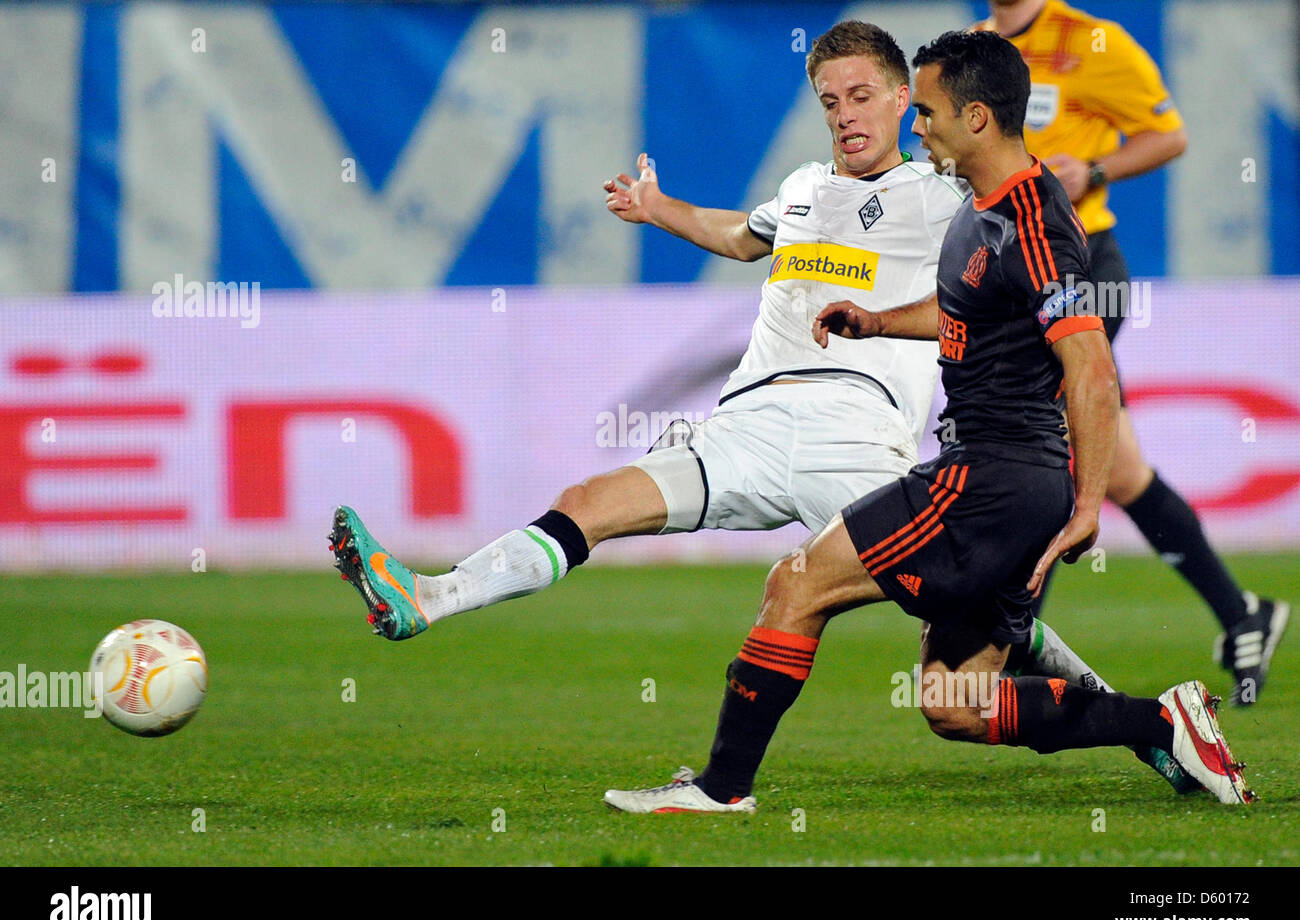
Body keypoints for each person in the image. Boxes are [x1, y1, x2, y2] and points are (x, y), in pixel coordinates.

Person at [332, 20, 1188, 796]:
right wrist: (658, 210)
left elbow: (1026, 272)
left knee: (965, 620)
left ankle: (1128, 717)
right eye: (829, 101)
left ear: (903, 100)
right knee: (587, 505)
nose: (846, 115)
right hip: (741, 427)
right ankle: (430, 597)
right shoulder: (806, 187)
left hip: (855, 433)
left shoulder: (949, 196)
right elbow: (744, 234)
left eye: (863, 97)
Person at [603, 29, 1253, 814]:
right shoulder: (983, 212)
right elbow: (966, 310)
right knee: (956, 705)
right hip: (1005, 484)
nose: (918, 125)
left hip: (991, 478)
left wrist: (1087, 507)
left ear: (977, 118)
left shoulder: (1036, 226)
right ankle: (1164, 721)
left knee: (798, 583)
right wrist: (879, 322)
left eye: (932, 111)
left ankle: (720, 789)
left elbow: (1092, 370)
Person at [981, 0, 1288, 706]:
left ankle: (1016, 639)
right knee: (1118, 472)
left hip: (1081, 264)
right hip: (1011, 269)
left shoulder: (1090, 40)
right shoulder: (973, 45)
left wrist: (1093, 168)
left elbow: (1168, 134)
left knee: (1047, 444)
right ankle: (1242, 614)